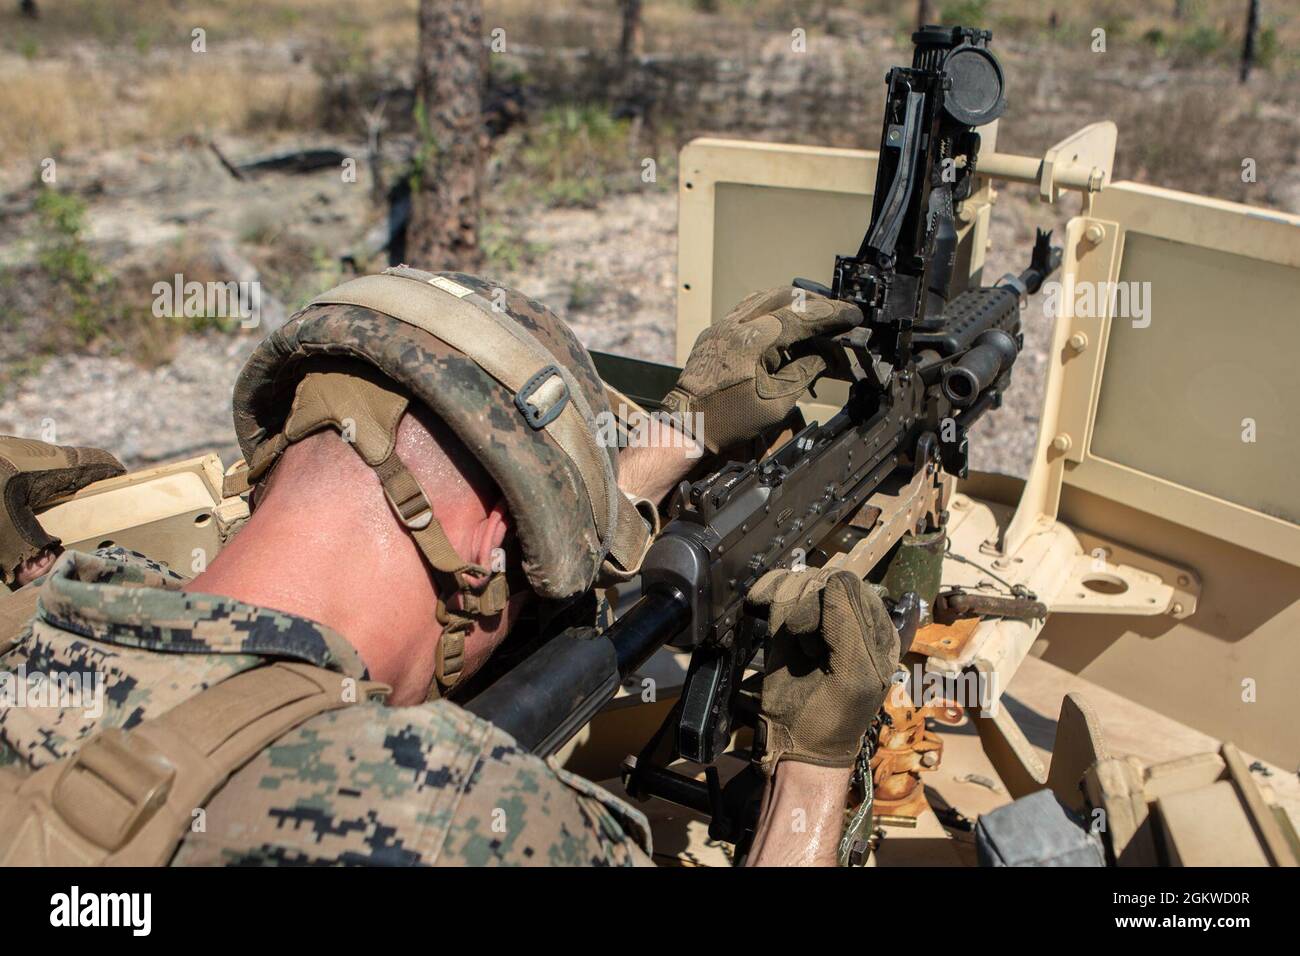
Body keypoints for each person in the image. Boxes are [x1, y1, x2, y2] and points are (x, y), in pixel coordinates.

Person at [0, 270, 898, 866]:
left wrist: (672, 441)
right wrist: (811, 776)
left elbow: (442, 527)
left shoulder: (57, 606)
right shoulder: (462, 819)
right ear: (490, 547)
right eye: (531, 591)